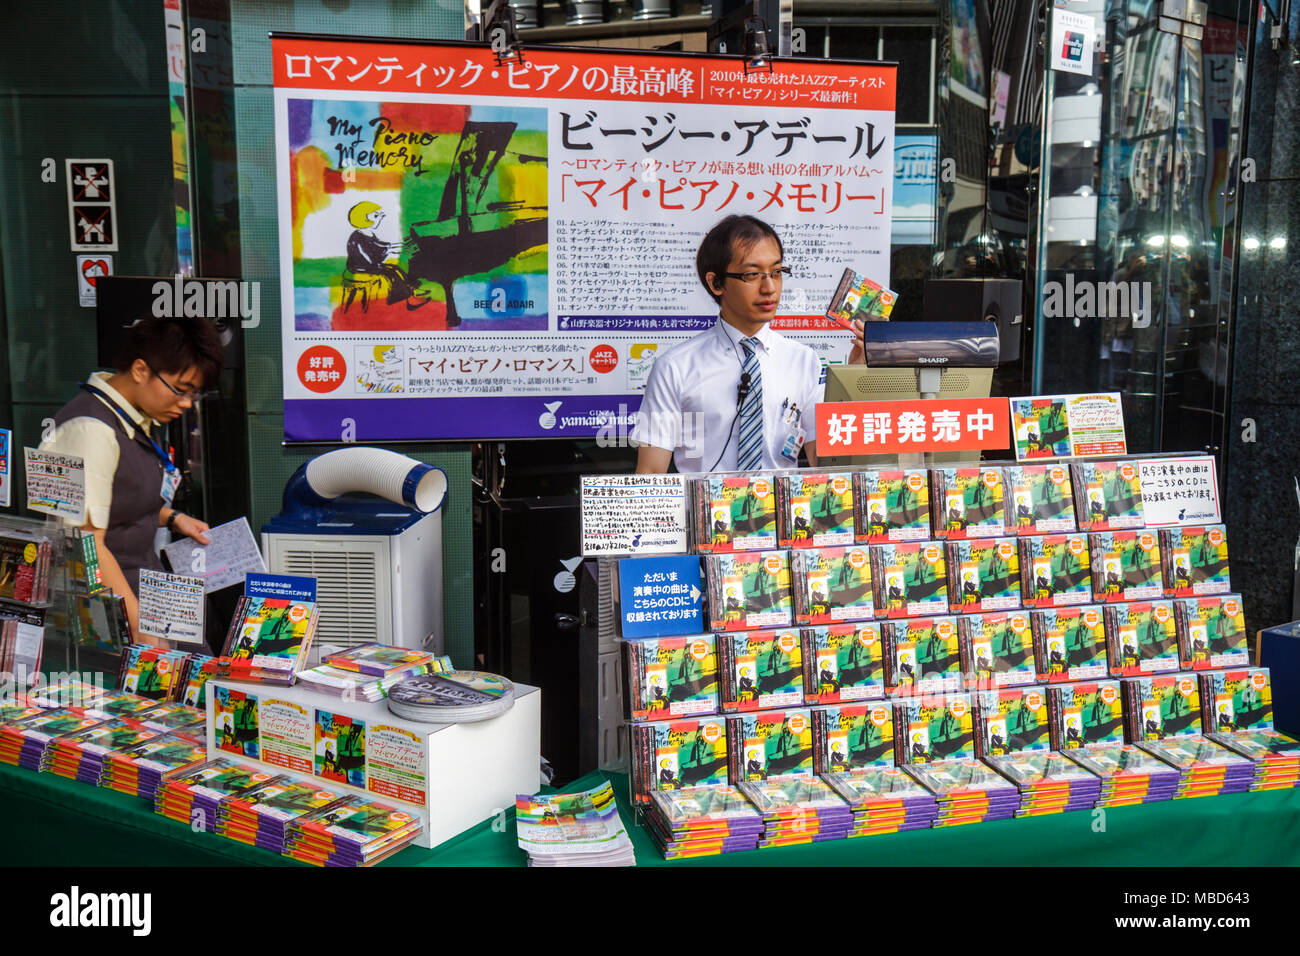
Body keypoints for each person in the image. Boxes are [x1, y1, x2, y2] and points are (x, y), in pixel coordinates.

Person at [632, 215, 865, 473]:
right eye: (752, 274)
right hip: (703, 509)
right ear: (716, 283)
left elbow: (824, 463)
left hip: (784, 509)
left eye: (776, 272)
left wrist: (851, 387)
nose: (769, 288)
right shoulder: (676, 366)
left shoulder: (803, 360)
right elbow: (651, 474)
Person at [40, 316, 223, 644]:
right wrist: (139, 630)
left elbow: (118, 501)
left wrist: (173, 518)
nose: (184, 404)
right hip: (114, 614)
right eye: (180, 390)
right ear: (140, 370)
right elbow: (83, 542)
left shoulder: (134, 419)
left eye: (193, 395)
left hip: (150, 593)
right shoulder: (87, 429)